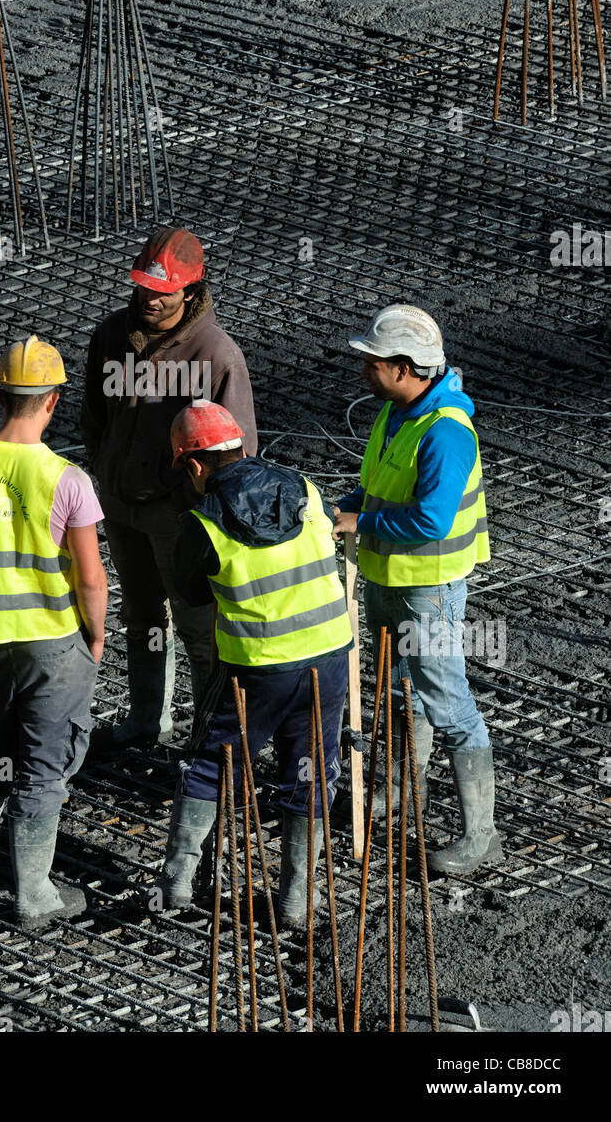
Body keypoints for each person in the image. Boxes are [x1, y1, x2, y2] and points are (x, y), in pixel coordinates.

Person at [0, 336, 107, 927]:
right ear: (53, 401)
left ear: (1, 395)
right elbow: (90, 578)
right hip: (53, 644)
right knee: (42, 763)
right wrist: (96, 636)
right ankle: (34, 893)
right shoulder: (67, 479)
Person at [158, 402, 353, 926]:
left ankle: (176, 887)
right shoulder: (306, 489)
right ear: (240, 446)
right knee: (309, 773)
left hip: (257, 673)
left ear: (195, 464)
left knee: (209, 766)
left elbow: (192, 594)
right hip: (329, 660)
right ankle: (296, 902)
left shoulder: (203, 523)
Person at [332, 304, 501, 876]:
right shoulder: (398, 412)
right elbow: (375, 487)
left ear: (405, 368)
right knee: (403, 691)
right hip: (389, 579)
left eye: (374, 362)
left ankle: (481, 835)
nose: (365, 370)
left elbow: (430, 520)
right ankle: (405, 789)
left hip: (426, 587)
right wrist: (346, 510)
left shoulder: (446, 431)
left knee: (448, 702)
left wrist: (363, 524)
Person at [80, 227, 257, 750]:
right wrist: (107, 469)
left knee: (200, 629)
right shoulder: (113, 337)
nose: (151, 299)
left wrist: (191, 507)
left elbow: (236, 453)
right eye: (144, 288)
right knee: (140, 616)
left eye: (164, 291)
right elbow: (93, 416)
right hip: (121, 503)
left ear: (191, 290)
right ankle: (145, 720)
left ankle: (207, 735)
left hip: (179, 516)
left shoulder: (216, 356)